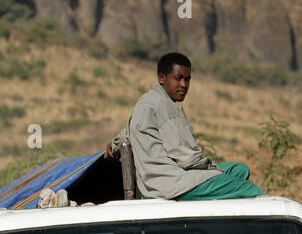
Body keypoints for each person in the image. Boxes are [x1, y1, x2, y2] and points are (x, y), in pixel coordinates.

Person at [106, 52, 264, 200]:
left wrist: (114, 145)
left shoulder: (147, 101)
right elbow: (187, 159)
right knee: (248, 189)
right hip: (171, 184)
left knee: (239, 169)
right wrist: (214, 170)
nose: (184, 85)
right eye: (178, 78)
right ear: (162, 78)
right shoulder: (164, 106)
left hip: (164, 178)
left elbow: (125, 134)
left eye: (187, 79)